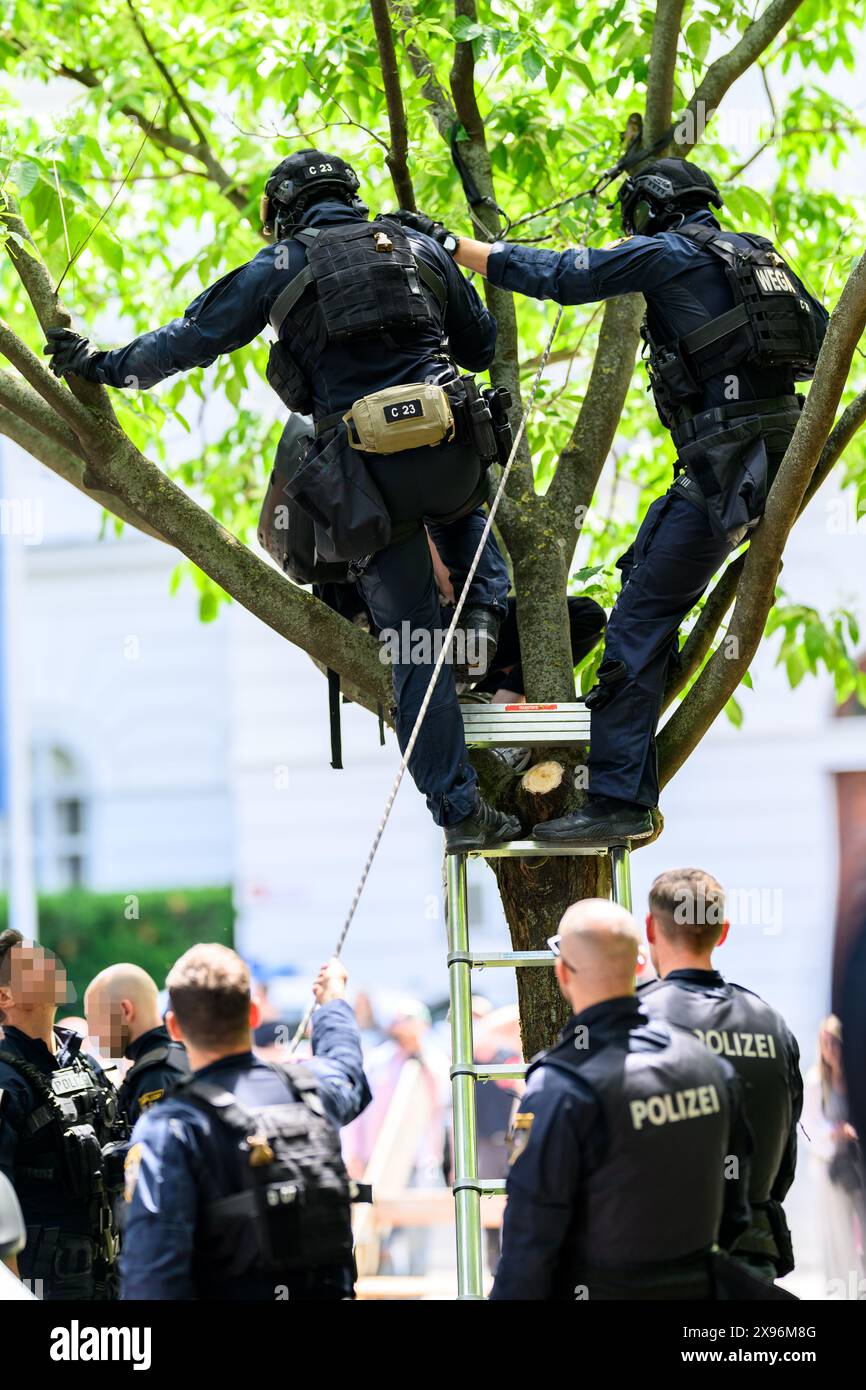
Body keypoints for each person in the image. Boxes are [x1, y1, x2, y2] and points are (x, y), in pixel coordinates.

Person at [44, 148, 520, 853]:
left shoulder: (281, 266)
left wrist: (102, 366)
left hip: (369, 489)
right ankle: (483, 607)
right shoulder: (416, 243)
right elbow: (479, 349)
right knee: (461, 511)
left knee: (413, 647)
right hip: (453, 464)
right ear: (351, 197)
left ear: (280, 211)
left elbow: (190, 340)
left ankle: (460, 813)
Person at [392, 157, 828, 845]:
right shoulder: (760, 259)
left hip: (724, 464)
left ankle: (621, 798)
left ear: (651, 211)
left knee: (636, 621)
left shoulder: (668, 252)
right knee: (647, 582)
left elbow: (560, 278)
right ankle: (627, 766)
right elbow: (827, 340)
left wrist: (449, 246)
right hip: (777, 454)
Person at [490, 899, 753, 1301]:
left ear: (563, 973)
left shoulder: (559, 1091)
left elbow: (528, 1248)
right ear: (639, 965)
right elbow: (735, 1208)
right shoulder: (708, 1067)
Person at [120, 946, 371, 1300]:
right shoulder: (310, 1094)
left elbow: (152, 1279)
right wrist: (332, 1001)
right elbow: (346, 1068)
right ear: (253, 1014)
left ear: (173, 1027)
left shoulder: (172, 1127)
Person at [638, 867, 802, 1281]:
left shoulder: (634, 1019)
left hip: (659, 1258)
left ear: (650, 929)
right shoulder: (771, 1023)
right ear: (723, 931)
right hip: (752, 1254)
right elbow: (785, 1151)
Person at [0, 929, 128, 1300]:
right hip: (41, 1284)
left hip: (107, 1272)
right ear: (4, 995)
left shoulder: (82, 1062)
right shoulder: (7, 1077)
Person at [801, 1015, 866, 1298]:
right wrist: (836, 1132)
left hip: (857, 1165)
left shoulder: (852, 1077)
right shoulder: (816, 1081)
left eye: (835, 1042)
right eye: (825, 1042)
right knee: (838, 1233)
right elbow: (806, 1126)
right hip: (831, 1168)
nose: (830, 1049)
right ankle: (843, 1292)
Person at [85, 963, 189, 1125]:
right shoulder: (181, 1056)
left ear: (126, 1010)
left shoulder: (154, 1077)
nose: (92, 1032)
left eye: (94, 1018)